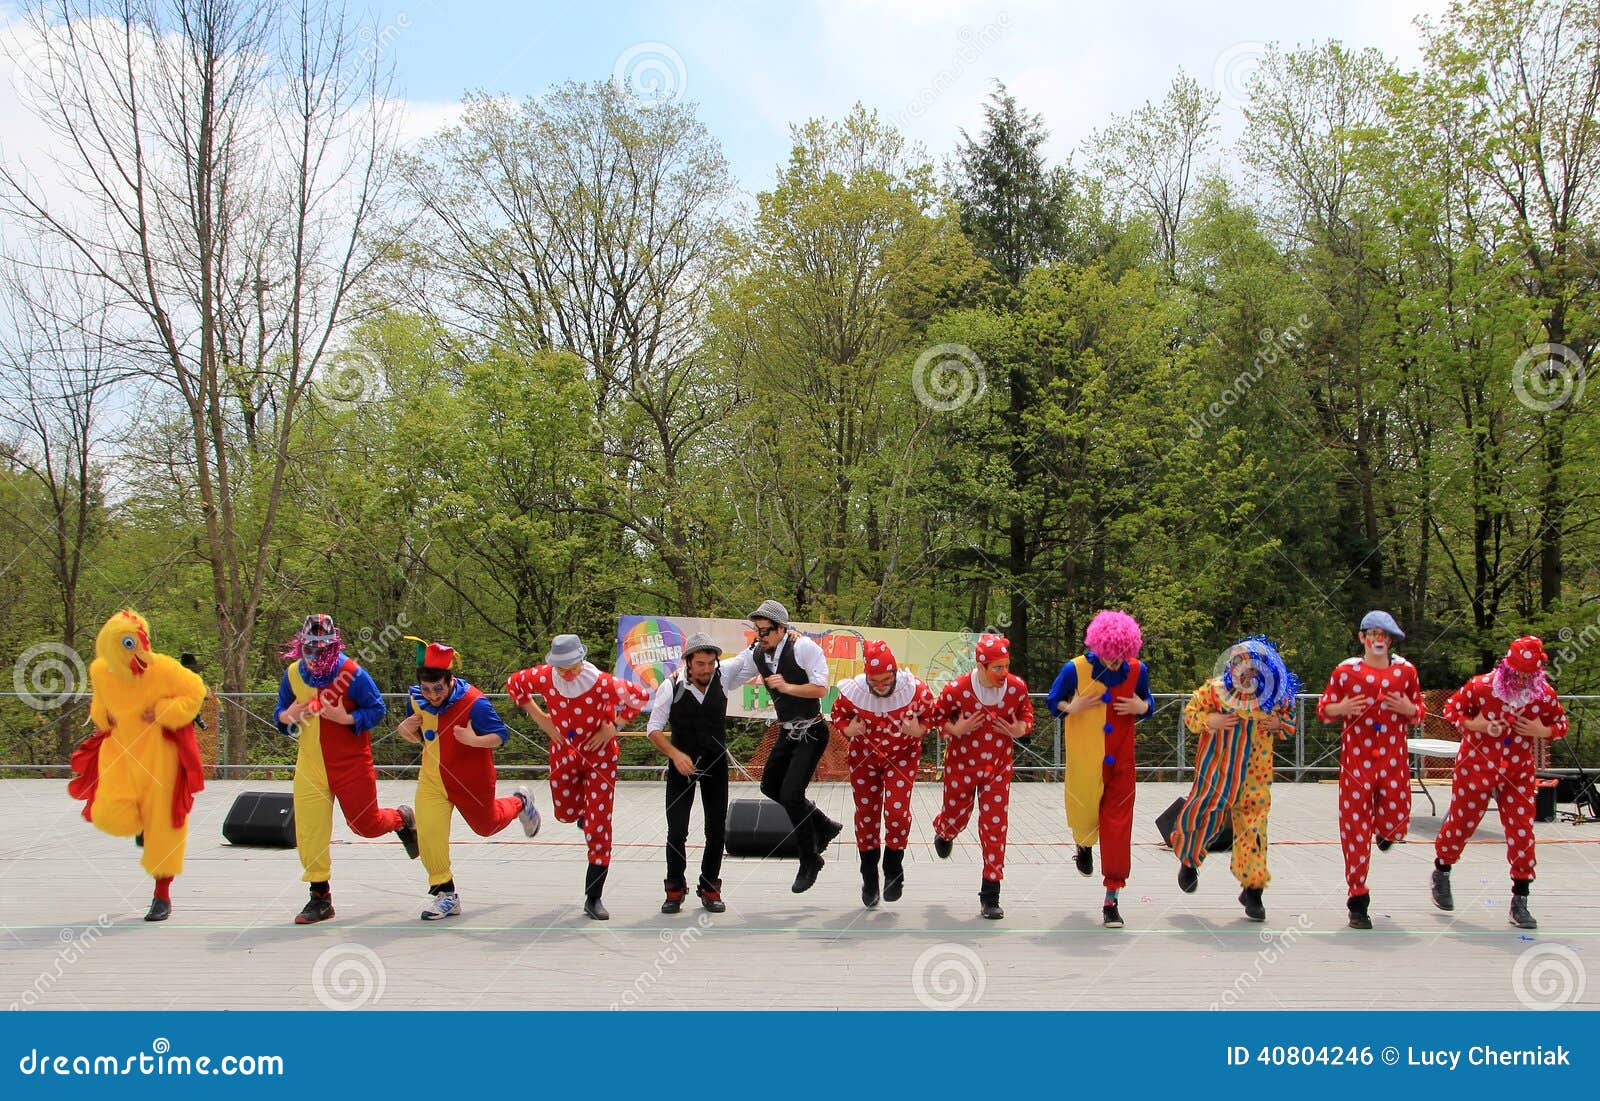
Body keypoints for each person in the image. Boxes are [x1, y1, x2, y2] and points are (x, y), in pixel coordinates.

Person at [275, 613, 419, 924]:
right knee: (310, 831)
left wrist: (347, 719)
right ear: (300, 646)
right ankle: (319, 895)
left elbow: (377, 709)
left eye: (321, 649)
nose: (314, 656)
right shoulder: (293, 674)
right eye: (308, 649)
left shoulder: (352, 673)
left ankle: (401, 819)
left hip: (351, 764)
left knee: (365, 825)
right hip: (310, 765)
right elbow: (281, 713)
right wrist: (288, 716)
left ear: (333, 646)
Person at [68, 610, 207, 921]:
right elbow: (98, 704)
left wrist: (162, 709)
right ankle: (142, 825)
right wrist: (105, 716)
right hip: (120, 754)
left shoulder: (165, 668)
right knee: (109, 814)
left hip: (161, 757)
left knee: (164, 824)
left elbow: (196, 691)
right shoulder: (100, 672)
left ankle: (162, 894)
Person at [507, 634, 650, 920]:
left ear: (581, 660)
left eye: (571, 666)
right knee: (565, 812)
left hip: (600, 757)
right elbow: (514, 683)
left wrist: (614, 726)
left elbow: (640, 696)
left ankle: (593, 896)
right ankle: (581, 815)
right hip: (563, 753)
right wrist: (541, 718)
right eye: (561, 667)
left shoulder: (602, 682)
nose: (567, 673)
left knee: (599, 826)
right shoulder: (546, 678)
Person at [395, 639, 540, 921]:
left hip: (471, 780)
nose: (433, 695)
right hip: (433, 781)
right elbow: (419, 737)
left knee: (486, 827)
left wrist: (473, 740)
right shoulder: (415, 699)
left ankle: (519, 801)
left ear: (449, 681)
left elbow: (501, 736)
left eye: (438, 688)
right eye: (427, 689)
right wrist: (405, 731)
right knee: (429, 836)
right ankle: (445, 893)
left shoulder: (475, 702)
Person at [1431, 636, 1568, 930]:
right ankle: (1442, 868)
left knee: (1521, 831)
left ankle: (1520, 899)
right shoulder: (1482, 686)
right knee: (1463, 821)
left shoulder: (1543, 695)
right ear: (1507, 665)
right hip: (1476, 765)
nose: (1521, 677)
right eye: (1517, 670)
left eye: (1528, 673)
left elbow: (1561, 725)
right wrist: (1474, 724)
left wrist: (1540, 729)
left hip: (1517, 770)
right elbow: (1451, 709)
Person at [718, 600, 843, 894]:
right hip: (787, 732)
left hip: (812, 731)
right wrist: (700, 670)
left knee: (791, 793)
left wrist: (786, 686)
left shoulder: (804, 648)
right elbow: (733, 669)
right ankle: (823, 824)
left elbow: (820, 688)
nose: (760, 636)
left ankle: (809, 858)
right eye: (757, 630)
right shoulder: (758, 653)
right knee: (769, 786)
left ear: (782, 629)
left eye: (765, 631)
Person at [1171, 636, 1299, 922]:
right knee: (1201, 815)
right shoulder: (1215, 691)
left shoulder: (1274, 698)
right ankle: (1189, 861)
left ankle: (1252, 890)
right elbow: (1191, 714)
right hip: (1216, 771)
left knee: (1254, 831)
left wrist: (1280, 723)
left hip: (1255, 776)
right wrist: (1209, 721)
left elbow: (1290, 725)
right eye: (1241, 664)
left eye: (1254, 667)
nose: (1246, 671)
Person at [1315, 610, 1425, 930]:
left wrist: (1408, 709)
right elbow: (1324, 709)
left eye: (1384, 635)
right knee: (1354, 829)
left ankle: (1388, 833)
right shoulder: (1346, 672)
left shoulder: (1405, 672)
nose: (1379, 640)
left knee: (1397, 819)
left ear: (1390, 640)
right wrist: (1342, 708)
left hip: (1392, 762)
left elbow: (1418, 711)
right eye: (1373, 634)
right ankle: (1358, 899)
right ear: (1362, 637)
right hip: (1356, 764)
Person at [1044, 610, 1152, 929]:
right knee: (1084, 815)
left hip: (1121, 763)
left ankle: (1112, 899)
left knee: (1118, 827)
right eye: (1111, 655)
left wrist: (1142, 707)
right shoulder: (1075, 669)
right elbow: (1053, 701)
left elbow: (1149, 701)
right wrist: (1070, 707)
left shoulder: (1137, 670)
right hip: (1085, 759)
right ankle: (1083, 843)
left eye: (1123, 655)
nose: (1117, 662)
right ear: (1099, 647)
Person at [930, 633, 1035, 920]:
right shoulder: (957, 690)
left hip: (998, 769)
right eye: (997, 667)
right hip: (961, 768)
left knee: (995, 826)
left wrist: (1019, 730)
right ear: (981, 665)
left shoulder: (1016, 688)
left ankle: (990, 893)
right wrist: (956, 728)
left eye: (1006, 666)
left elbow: (1027, 715)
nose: (1004, 673)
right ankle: (944, 829)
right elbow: (936, 717)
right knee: (956, 817)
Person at [829, 639, 937, 908]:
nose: (880, 686)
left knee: (897, 811)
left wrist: (919, 730)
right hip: (864, 759)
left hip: (902, 756)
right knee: (866, 814)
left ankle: (893, 868)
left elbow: (932, 717)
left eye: (885, 680)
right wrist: (848, 729)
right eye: (874, 681)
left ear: (895, 673)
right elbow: (838, 715)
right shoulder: (853, 692)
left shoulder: (915, 690)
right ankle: (869, 877)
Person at [644, 632, 738, 914]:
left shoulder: (724, 678)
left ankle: (710, 887)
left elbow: (756, 659)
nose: (706, 669)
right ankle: (674, 888)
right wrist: (675, 754)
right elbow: (653, 729)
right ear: (687, 662)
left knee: (716, 829)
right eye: (700, 664)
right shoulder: (671, 686)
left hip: (715, 763)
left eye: (710, 663)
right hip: (681, 764)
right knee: (677, 830)